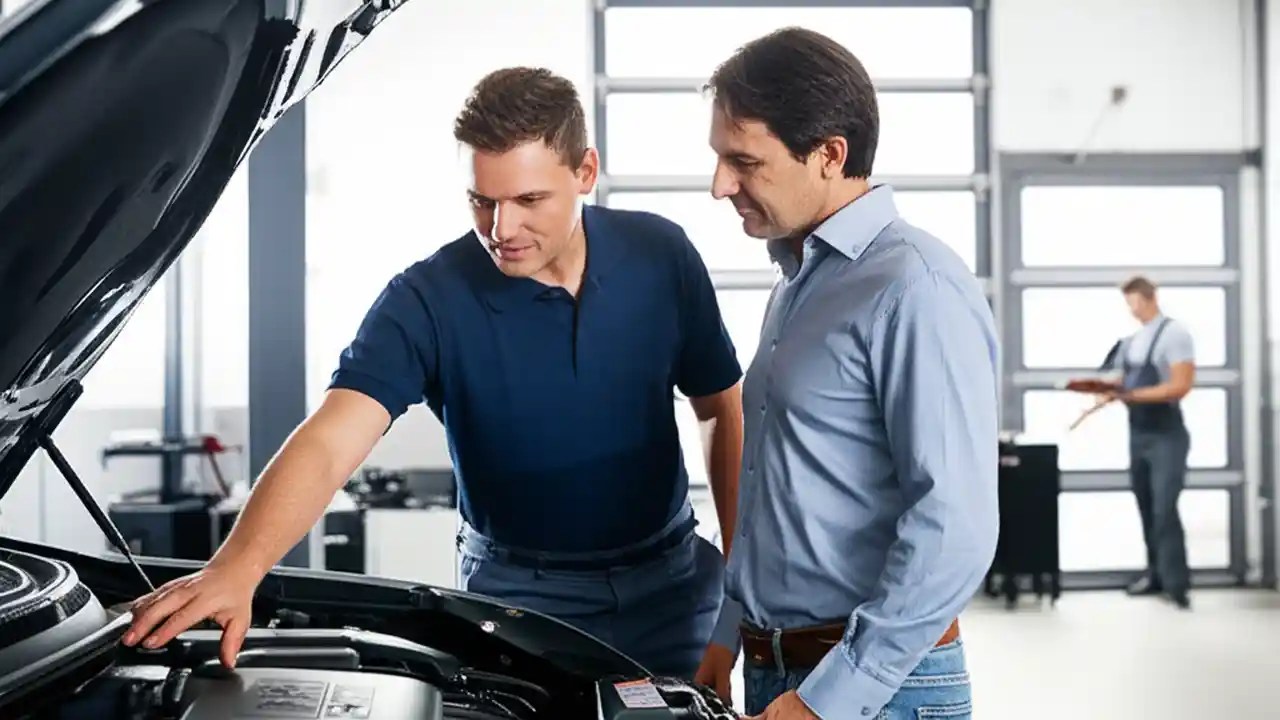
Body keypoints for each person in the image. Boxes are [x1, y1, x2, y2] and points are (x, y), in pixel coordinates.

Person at [122, 67, 745, 679]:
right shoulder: (425, 298)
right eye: (482, 201)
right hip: (519, 601)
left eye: (528, 200)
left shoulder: (662, 255)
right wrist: (239, 566)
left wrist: (739, 573)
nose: (501, 229)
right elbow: (332, 440)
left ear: (585, 172)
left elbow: (719, 406)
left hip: (672, 587)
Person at [690, 28, 1000, 719]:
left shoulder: (916, 286)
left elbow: (955, 529)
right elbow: (775, 491)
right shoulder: (797, 283)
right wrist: (727, 631)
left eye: (744, 161)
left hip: (876, 691)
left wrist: (831, 698)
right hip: (778, 672)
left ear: (830, 154)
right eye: (719, 158)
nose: (720, 186)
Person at [1098, 275, 1196, 609]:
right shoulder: (1133, 341)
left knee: (1164, 507)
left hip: (1167, 435)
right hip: (1138, 433)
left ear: (1148, 297)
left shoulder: (1175, 334)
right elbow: (1119, 380)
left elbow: (1181, 386)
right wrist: (1104, 391)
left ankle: (1177, 584)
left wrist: (1133, 395)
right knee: (1146, 506)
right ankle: (1156, 576)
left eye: (1134, 302)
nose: (1131, 309)